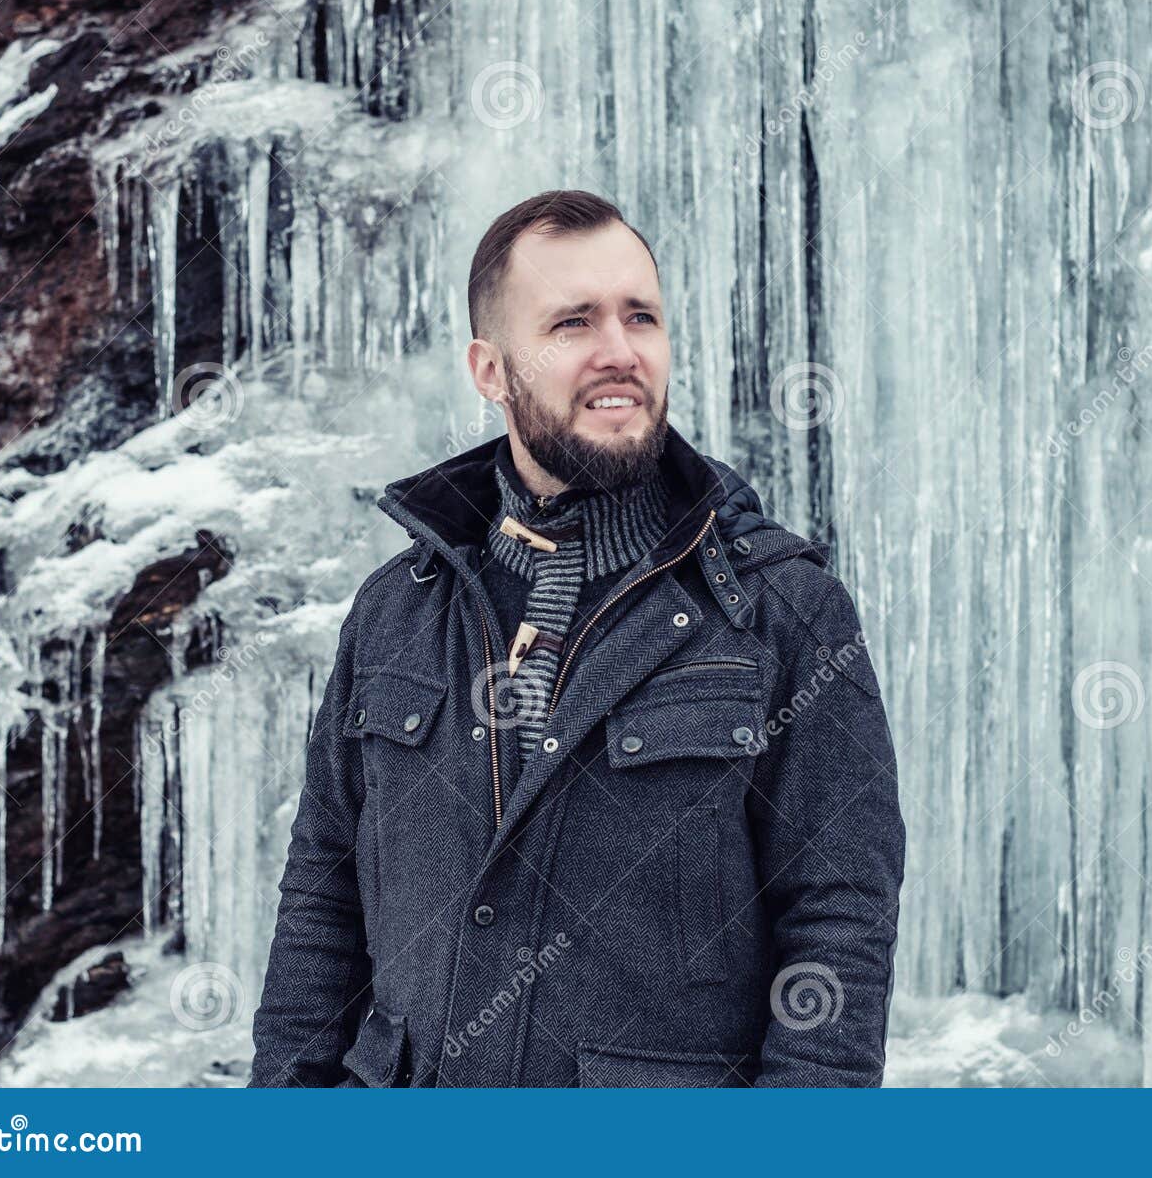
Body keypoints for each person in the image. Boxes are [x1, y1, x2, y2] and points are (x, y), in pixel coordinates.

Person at [248, 189, 906, 1088]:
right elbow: (320, 902)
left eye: (642, 317)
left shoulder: (781, 611)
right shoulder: (394, 612)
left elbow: (839, 921)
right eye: (573, 322)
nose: (620, 352)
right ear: (491, 370)